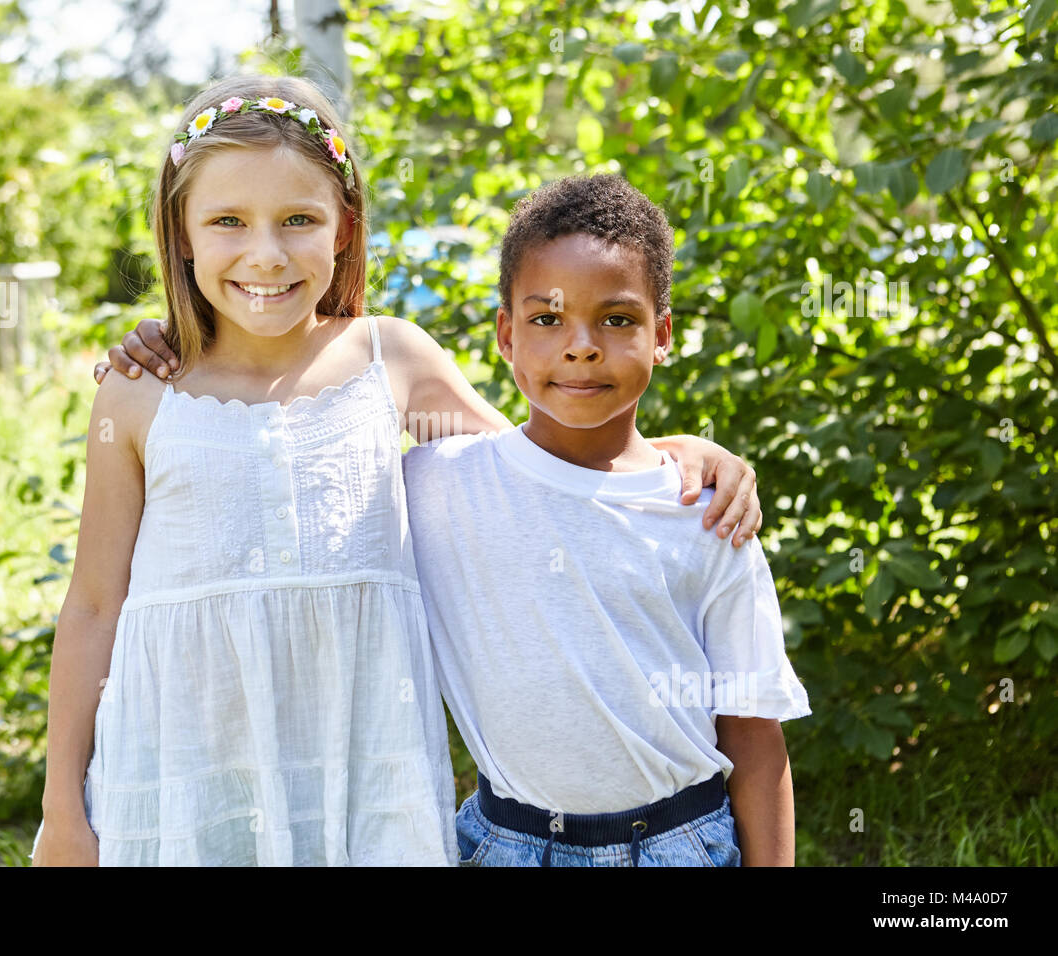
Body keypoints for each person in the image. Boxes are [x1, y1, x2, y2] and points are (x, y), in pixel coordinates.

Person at [69, 75, 763, 866]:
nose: (266, 254)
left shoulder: (388, 359)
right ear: (181, 232)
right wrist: (63, 807)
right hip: (186, 774)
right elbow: (94, 607)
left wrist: (675, 454)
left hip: (363, 776)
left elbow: (548, 473)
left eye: (299, 219)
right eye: (228, 220)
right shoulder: (141, 393)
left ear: (344, 227)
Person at [404, 174, 811, 866]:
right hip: (508, 844)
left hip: (681, 843)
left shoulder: (707, 512)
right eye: (547, 319)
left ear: (662, 336)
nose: (582, 346)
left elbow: (752, 732)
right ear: (505, 334)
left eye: (618, 320)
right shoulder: (436, 486)